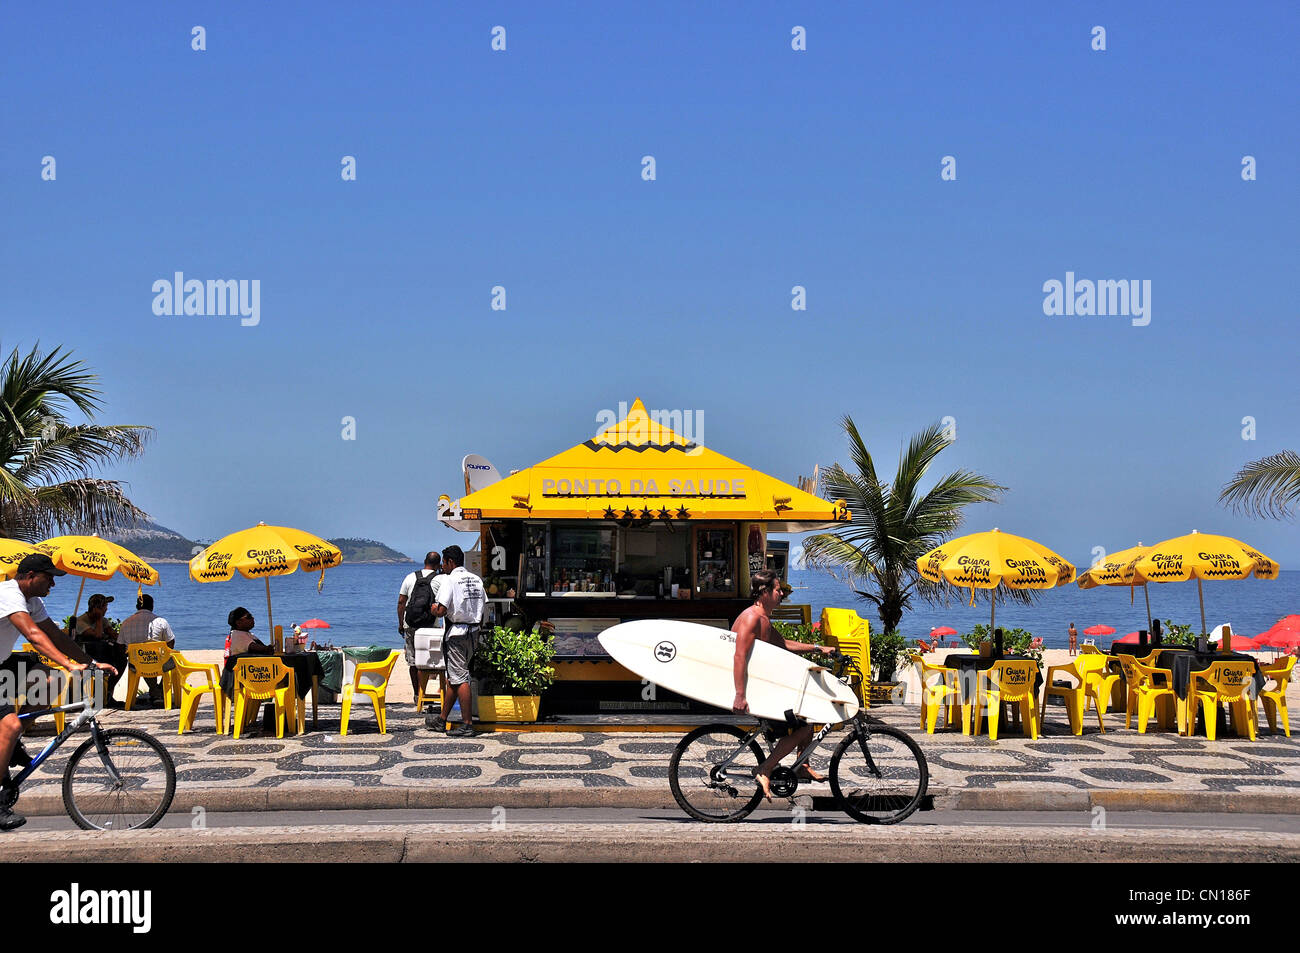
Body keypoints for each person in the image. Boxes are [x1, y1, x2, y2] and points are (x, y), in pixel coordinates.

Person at [1, 554, 111, 832]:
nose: (53, 582)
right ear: (29, 576)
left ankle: (12, 745)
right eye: (48, 577)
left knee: (52, 680)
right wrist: (69, 664)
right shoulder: (8, 594)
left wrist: (89, 663)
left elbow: (57, 636)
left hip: (3, 661)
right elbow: (33, 636)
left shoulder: (33, 601)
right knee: (9, 724)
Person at [732, 568, 827, 800]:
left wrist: (818, 648)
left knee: (807, 712)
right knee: (804, 726)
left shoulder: (763, 619)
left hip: (764, 687)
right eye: (778, 590)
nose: (782, 594)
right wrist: (740, 694)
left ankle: (802, 765)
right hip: (755, 691)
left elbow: (782, 643)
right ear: (764, 592)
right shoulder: (752, 618)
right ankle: (764, 768)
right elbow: (739, 656)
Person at [428, 545, 485, 737]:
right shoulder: (476, 579)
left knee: (460, 679)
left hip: (457, 633)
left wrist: (433, 609)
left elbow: (442, 610)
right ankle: (442, 719)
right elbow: (483, 606)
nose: (442, 567)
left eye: (444, 563)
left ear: (451, 562)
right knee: (455, 676)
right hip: (474, 632)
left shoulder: (450, 580)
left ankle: (467, 724)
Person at [398, 552, 447, 703]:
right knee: (432, 663)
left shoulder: (410, 577)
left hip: (411, 625)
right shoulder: (440, 579)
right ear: (439, 565)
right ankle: (433, 693)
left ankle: (418, 695)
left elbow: (401, 602)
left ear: (425, 561)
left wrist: (401, 624)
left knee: (413, 662)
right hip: (430, 627)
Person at [118, 593, 177, 707]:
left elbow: (120, 647)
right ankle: (158, 690)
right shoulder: (160, 621)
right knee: (173, 662)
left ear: (137, 606)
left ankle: (155, 691)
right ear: (152, 606)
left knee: (143, 660)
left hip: (136, 665)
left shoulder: (126, 623)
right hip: (159, 663)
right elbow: (171, 643)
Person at [72, 594, 127, 703]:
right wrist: (98, 619)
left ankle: (108, 693)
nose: (106, 609)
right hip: (85, 655)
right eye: (104, 607)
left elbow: (114, 635)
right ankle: (98, 696)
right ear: (96, 608)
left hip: (101, 653)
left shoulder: (103, 621)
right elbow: (97, 635)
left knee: (121, 661)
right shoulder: (81, 621)